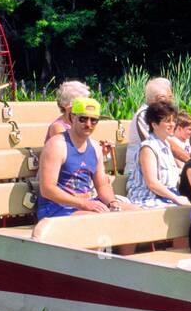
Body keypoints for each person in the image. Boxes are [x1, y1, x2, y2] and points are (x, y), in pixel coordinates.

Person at [32, 97, 138, 231]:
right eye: (83, 119)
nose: (88, 124)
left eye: (94, 120)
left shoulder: (95, 147)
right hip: (57, 208)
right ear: (72, 118)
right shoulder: (57, 145)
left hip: (86, 204)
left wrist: (113, 203)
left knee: (133, 213)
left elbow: (102, 185)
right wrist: (83, 204)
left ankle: (124, 253)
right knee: (96, 221)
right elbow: (47, 189)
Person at [126, 100, 189, 209]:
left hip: (167, 197)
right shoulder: (148, 148)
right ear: (154, 124)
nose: (172, 124)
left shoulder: (166, 145)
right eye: (167, 121)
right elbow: (152, 183)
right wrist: (176, 198)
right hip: (148, 198)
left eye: (174, 121)